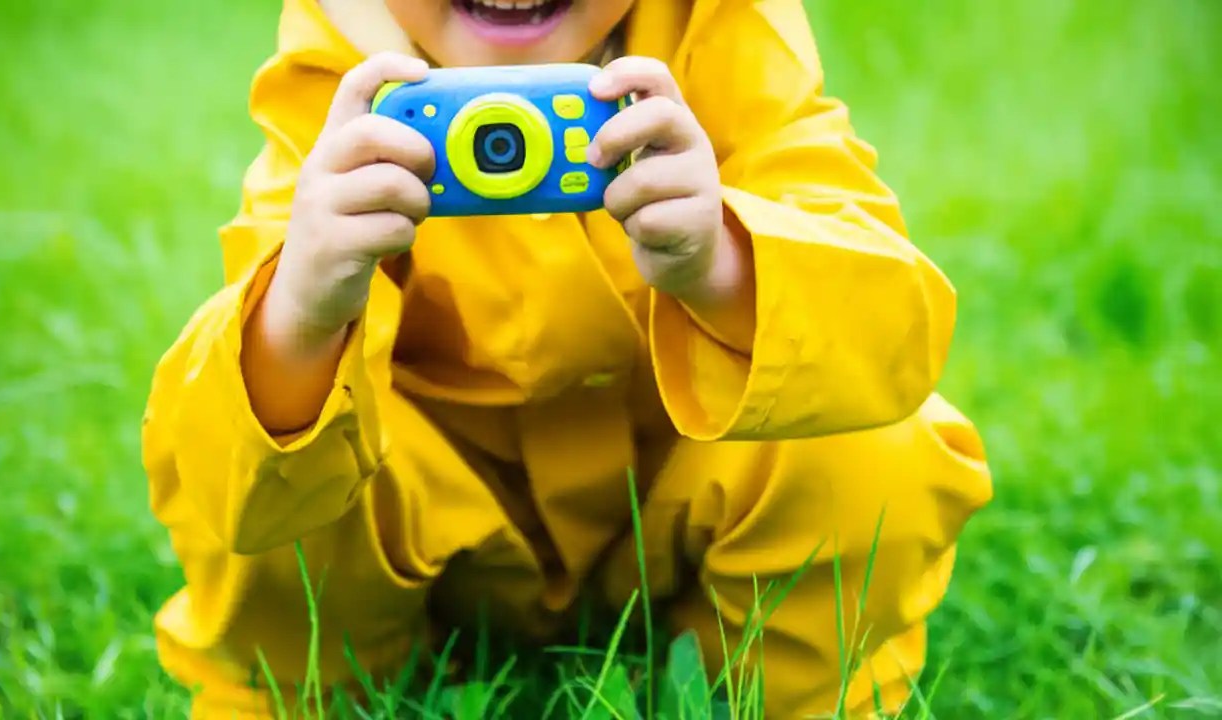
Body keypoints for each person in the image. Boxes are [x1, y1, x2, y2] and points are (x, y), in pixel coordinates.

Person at [140, 0, 994, 716]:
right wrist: (304, 306)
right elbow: (229, 475)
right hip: (433, 532)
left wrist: (725, 262)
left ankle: (769, 689)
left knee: (864, 440)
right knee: (257, 421)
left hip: (676, 510)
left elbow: (890, 333)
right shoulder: (340, 79)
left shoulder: (724, 35)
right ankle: (319, 690)